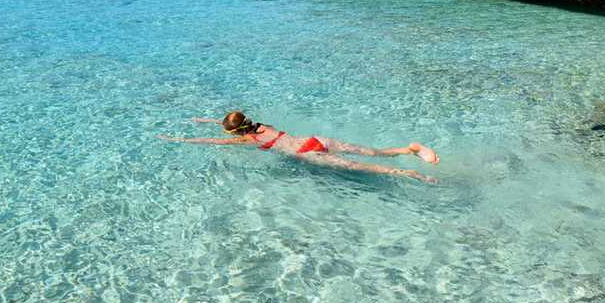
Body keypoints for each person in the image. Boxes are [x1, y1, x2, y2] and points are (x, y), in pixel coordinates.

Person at [160, 110, 439, 183]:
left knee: (371, 169)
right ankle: (408, 149)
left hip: (308, 154)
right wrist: (206, 119)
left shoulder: (248, 139)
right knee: (373, 152)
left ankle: (418, 176)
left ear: (237, 131)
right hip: (315, 139)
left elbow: (216, 140)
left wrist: (181, 140)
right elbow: (228, 125)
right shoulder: (260, 126)